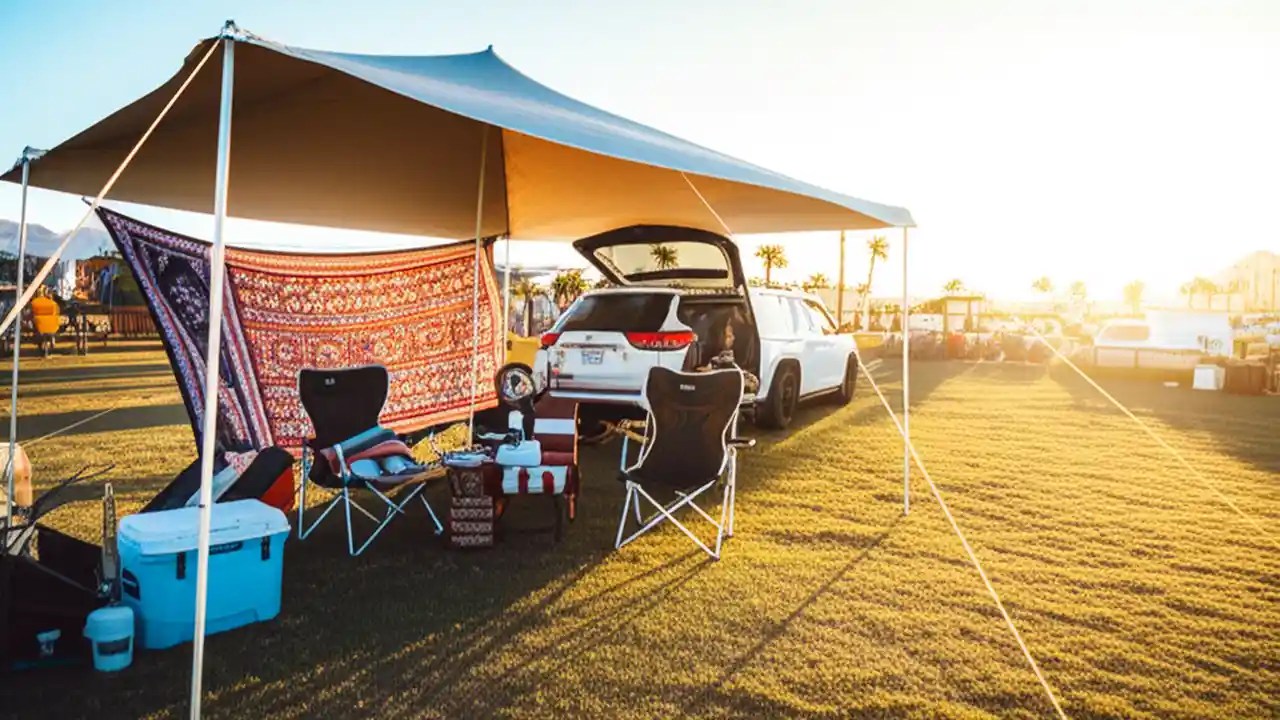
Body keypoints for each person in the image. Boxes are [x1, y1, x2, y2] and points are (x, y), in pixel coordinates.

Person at [685, 312, 759, 394]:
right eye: (729, 336)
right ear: (720, 338)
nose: (733, 338)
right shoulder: (709, 362)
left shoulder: (734, 361)